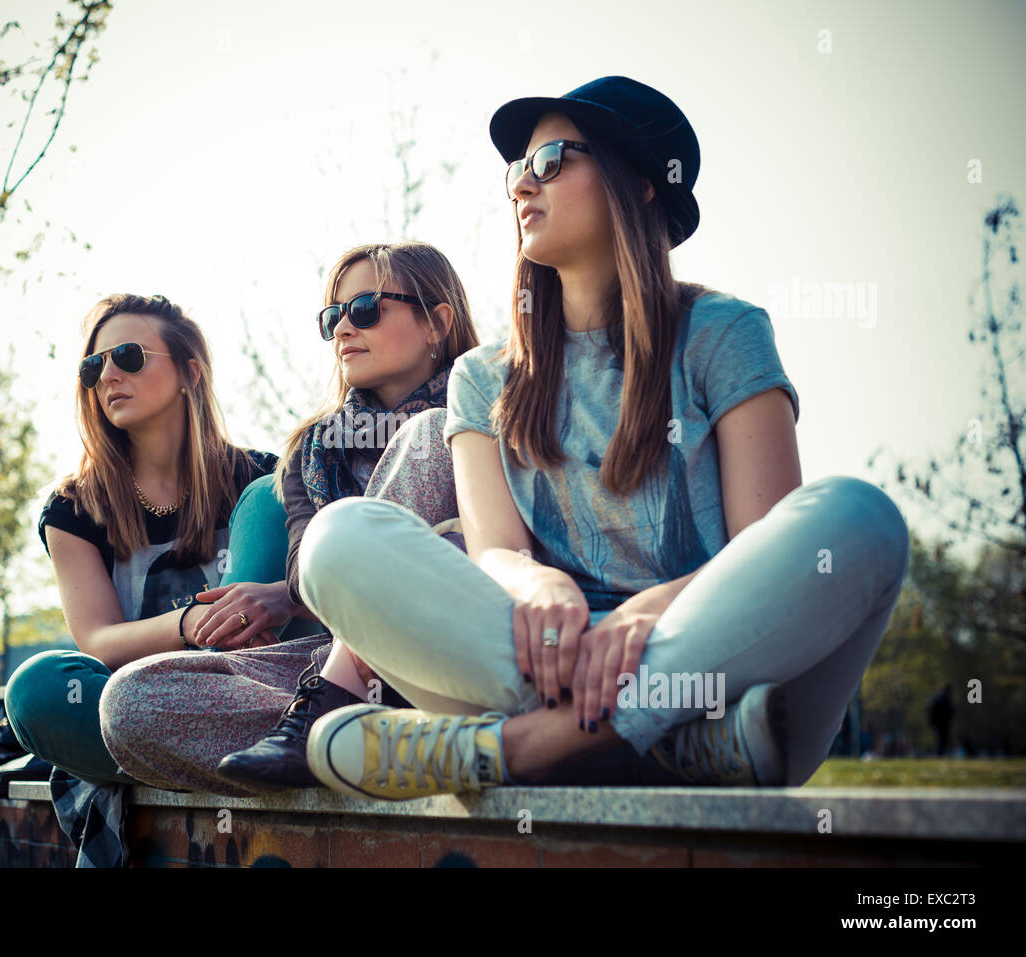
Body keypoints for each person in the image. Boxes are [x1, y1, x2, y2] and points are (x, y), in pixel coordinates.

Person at [299, 76, 912, 799]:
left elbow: (762, 540)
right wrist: (542, 584)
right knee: (336, 541)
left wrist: (647, 613)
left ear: (641, 183)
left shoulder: (723, 334)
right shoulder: (481, 377)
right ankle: (669, 744)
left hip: (723, 669)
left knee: (858, 517)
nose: (523, 187)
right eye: (517, 171)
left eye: (552, 161)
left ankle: (532, 748)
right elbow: (496, 551)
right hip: (554, 670)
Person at [98, 242, 481, 794]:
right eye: (334, 317)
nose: (344, 328)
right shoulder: (315, 451)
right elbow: (309, 576)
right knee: (133, 701)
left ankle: (341, 731)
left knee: (429, 436)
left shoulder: (494, 411)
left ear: (436, 322)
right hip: (340, 660)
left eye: (366, 308)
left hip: (465, 648)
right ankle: (368, 738)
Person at [4, 293, 289, 786]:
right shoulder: (73, 509)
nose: (109, 375)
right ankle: (229, 761)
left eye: (129, 357)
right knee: (36, 690)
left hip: (249, 691)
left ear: (190, 374)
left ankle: (202, 760)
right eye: (94, 366)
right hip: (142, 703)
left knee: (270, 497)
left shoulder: (262, 478)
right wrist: (190, 622)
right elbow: (98, 640)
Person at [928, 683, 954, 756]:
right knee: (943, 739)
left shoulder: (936, 698)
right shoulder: (945, 698)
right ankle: (940, 753)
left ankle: (940, 753)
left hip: (938, 722)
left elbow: (931, 710)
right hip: (944, 722)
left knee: (939, 738)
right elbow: (950, 710)